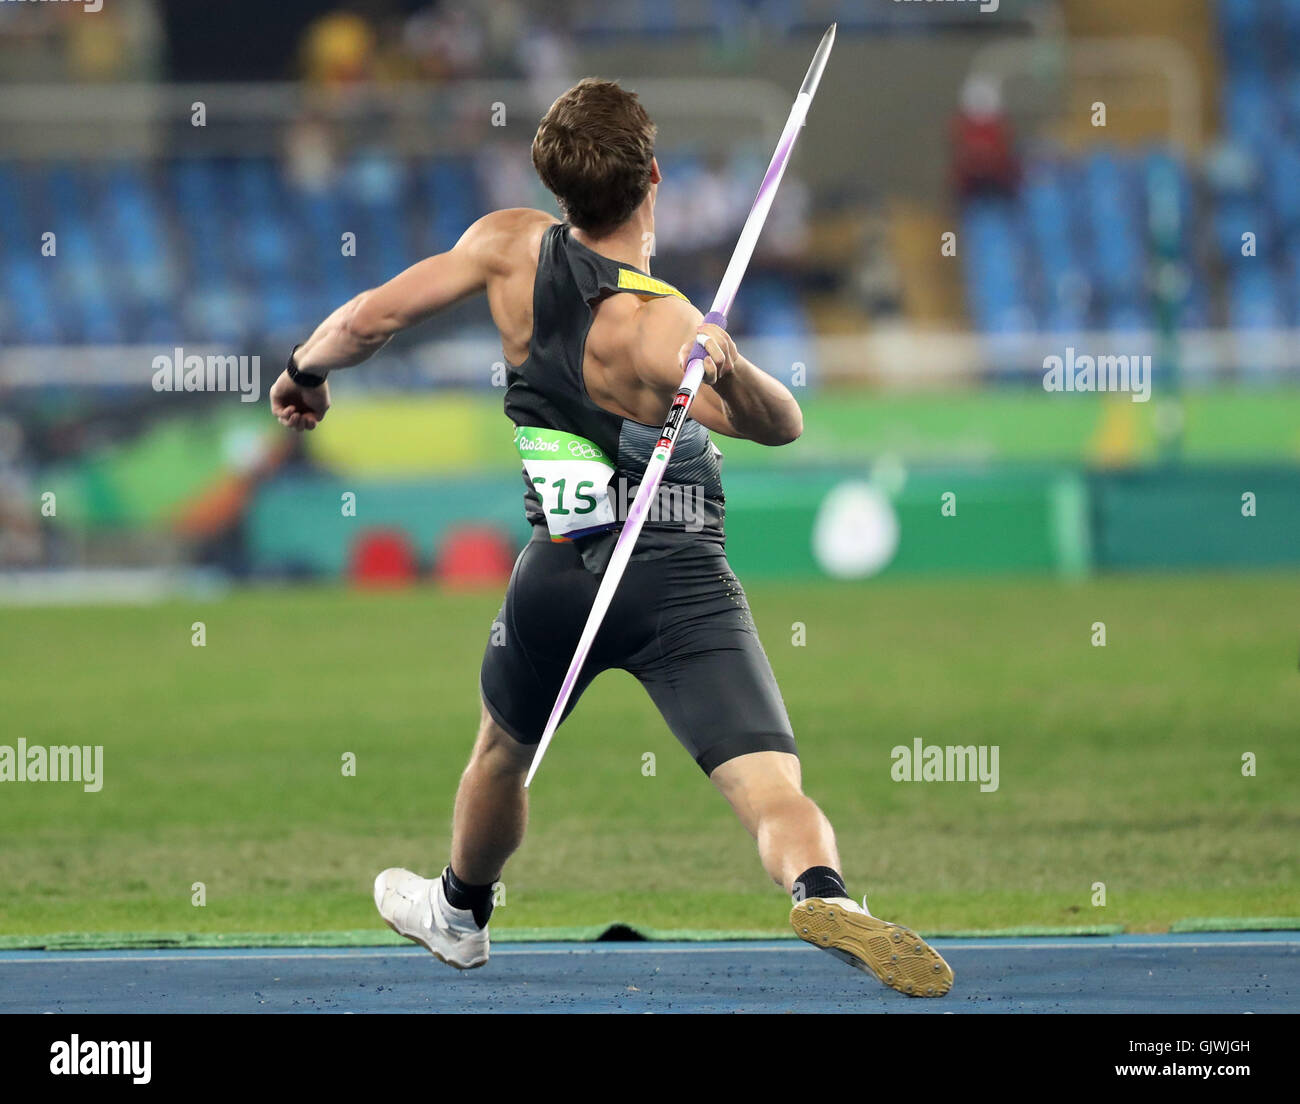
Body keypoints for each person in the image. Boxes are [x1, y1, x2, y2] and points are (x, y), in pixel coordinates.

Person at [270, 78, 953, 998]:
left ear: (558, 189)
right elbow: (780, 425)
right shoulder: (660, 321)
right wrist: (733, 365)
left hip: (559, 572)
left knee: (501, 756)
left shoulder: (505, 246)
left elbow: (369, 319)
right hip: (679, 575)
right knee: (769, 786)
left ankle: (461, 913)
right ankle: (823, 891)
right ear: (654, 178)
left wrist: (304, 371)